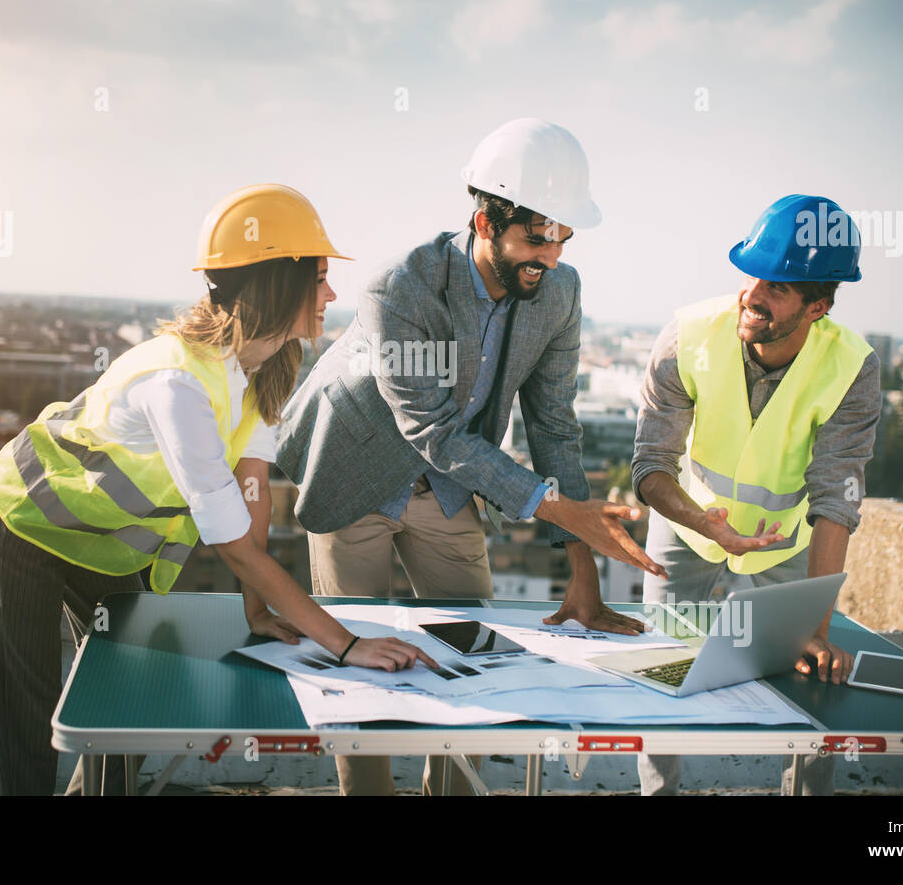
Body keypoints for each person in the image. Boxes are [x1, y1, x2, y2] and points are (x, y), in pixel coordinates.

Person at [0, 184, 436, 796]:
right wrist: (345, 646)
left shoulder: (265, 367)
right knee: (27, 719)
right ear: (276, 281)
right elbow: (236, 547)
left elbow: (253, 498)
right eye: (319, 278)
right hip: (28, 522)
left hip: (105, 543)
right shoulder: (178, 385)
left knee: (129, 704)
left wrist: (256, 608)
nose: (330, 295)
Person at [276, 119, 666, 796]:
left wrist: (584, 577)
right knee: (358, 671)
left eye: (563, 238)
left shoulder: (559, 294)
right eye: (536, 237)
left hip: (449, 488)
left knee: (476, 655)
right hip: (358, 472)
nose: (550, 256)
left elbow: (553, 428)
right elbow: (430, 428)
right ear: (486, 221)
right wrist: (558, 507)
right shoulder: (403, 286)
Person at [631, 193, 881, 795]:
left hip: (782, 544)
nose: (754, 295)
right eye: (753, 275)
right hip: (688, 527)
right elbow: (650, 465)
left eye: (778, 288)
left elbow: (836, 501)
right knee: (664, 666)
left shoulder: (852, 367)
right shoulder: (689, 334)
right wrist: (704, 522)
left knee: (810, 673)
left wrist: (818, 623)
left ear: (817, 306)